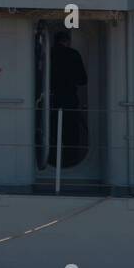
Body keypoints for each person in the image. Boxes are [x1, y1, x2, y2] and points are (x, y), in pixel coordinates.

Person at [48, 30, 88, 168]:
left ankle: (51, 158)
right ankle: (70, 159)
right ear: (67, 41)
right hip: (69, 98)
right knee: (71, 131)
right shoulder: (73, 54)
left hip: (51, 99)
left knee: (52, 130)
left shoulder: (48, 54)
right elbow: (83, 80)